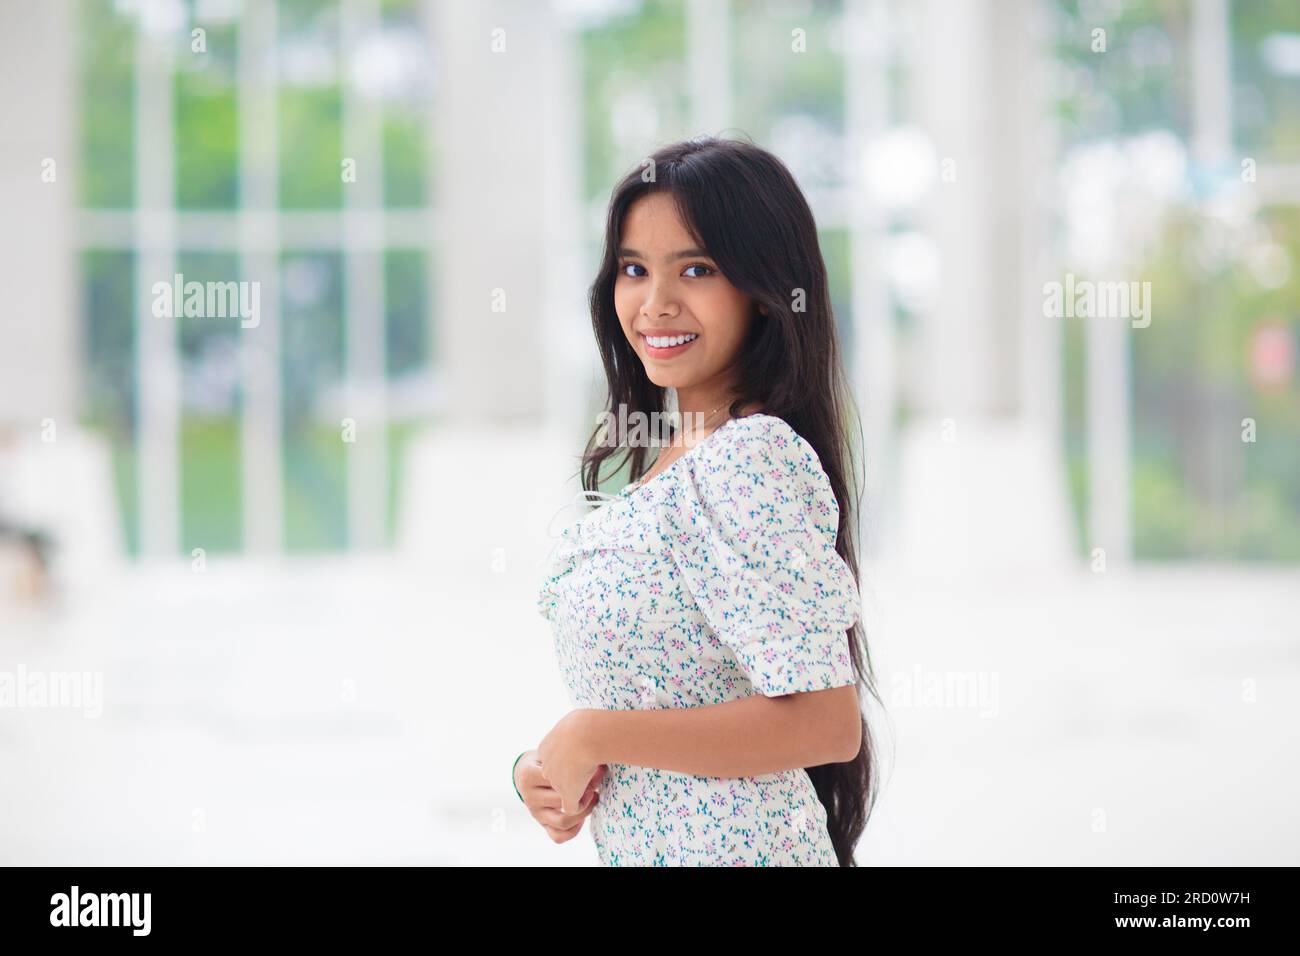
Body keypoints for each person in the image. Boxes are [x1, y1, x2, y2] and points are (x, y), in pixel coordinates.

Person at [519, 135, 881, 866]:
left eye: (697, 269)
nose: (656, 304)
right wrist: (546, 772)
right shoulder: (671, 466)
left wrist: (597, 734)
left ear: (762, 287)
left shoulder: (752, 459)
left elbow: (825, 721)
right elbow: (658, 701)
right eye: (633, 269)